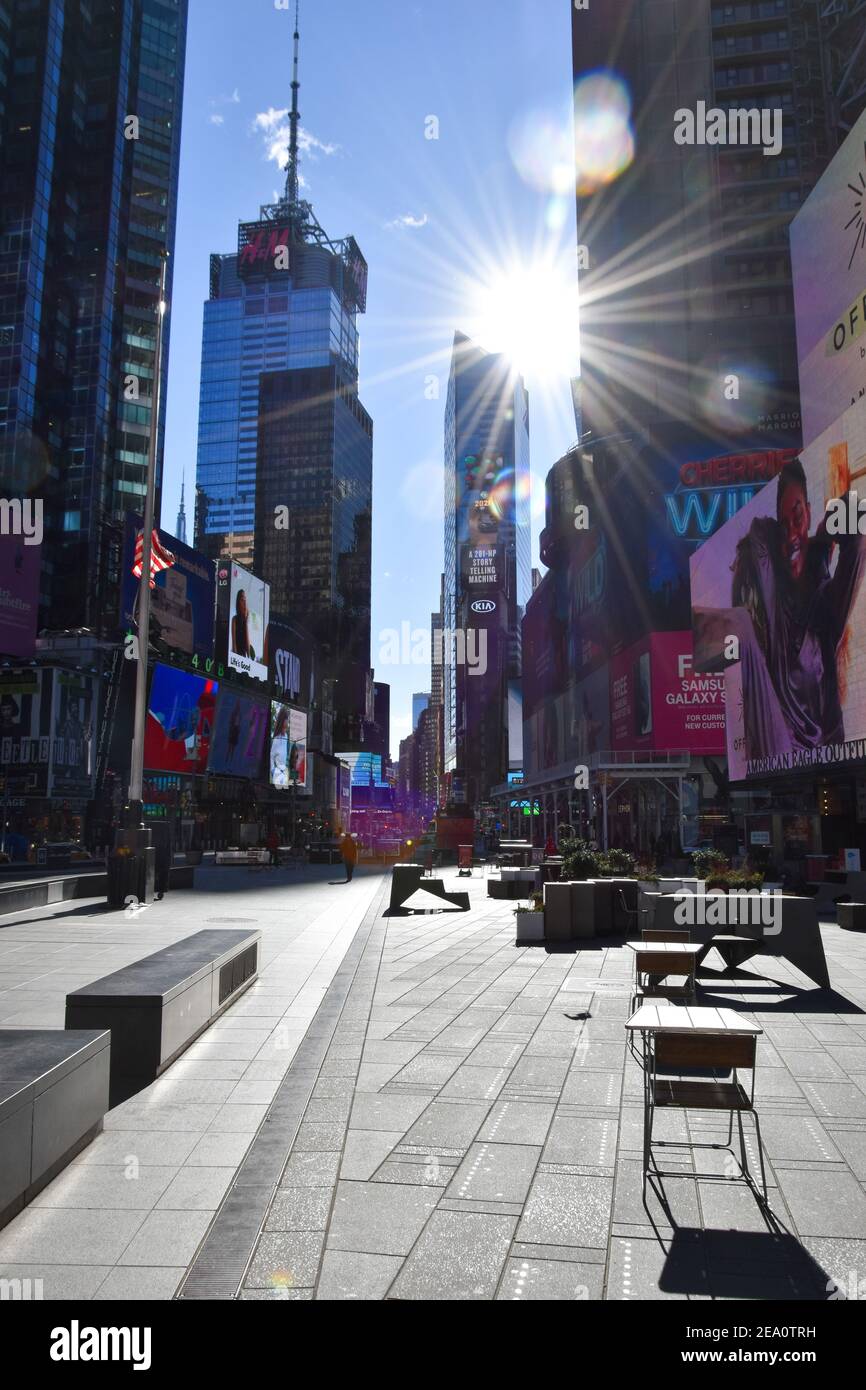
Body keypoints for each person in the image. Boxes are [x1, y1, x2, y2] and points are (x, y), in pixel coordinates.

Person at [695, 458, 866, 763]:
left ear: (810, 512)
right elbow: (760, 533)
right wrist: (802, 533)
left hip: (823, 757)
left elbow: (856, 522)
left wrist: (823, 534)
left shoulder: (826, 607)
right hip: (778, 747)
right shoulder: (772, 593)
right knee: (741, 628)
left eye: (798, 516)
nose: (790, 535)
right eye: (783, 524)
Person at [231, 589, 255, 661]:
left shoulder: (247, 620)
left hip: (245, 658)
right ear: (238, 602)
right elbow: (234, 643)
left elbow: (248, 649)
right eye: (242, 600)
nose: (244, 602)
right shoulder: (234, 619)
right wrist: (235, 658)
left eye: (245, 599)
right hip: (237, 657)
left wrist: (246, 623)